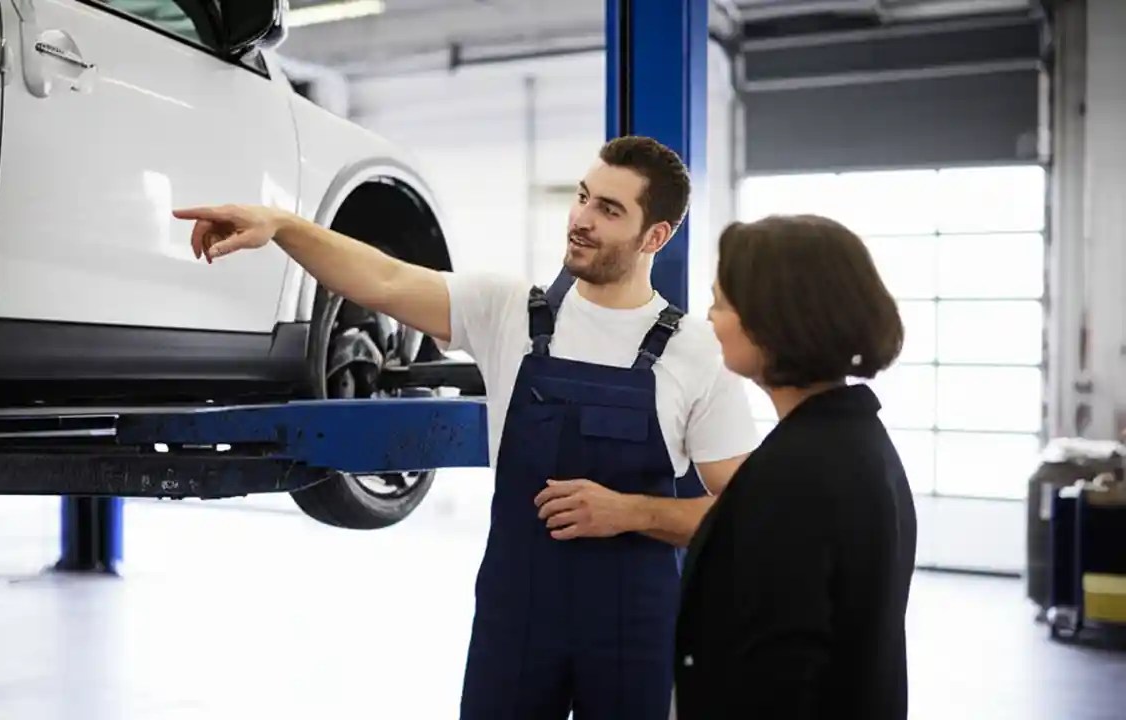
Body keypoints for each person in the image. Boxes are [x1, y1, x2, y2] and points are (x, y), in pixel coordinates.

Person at [174, 135, 759, 718]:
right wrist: (282, 226)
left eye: (609, 210)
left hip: (635, 625)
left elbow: (743, 515)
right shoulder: (508, 309)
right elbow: (383, 279)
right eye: (583, 197)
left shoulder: (694, 354)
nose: (581, 219)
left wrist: (632, 512)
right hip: (517, 613)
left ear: (655, 236)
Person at [672, 214, 918, 720]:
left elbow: (777, 678)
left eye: (721, 302)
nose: (712, 320)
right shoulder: (857, 439)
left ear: (775, 318)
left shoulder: (797, 475)